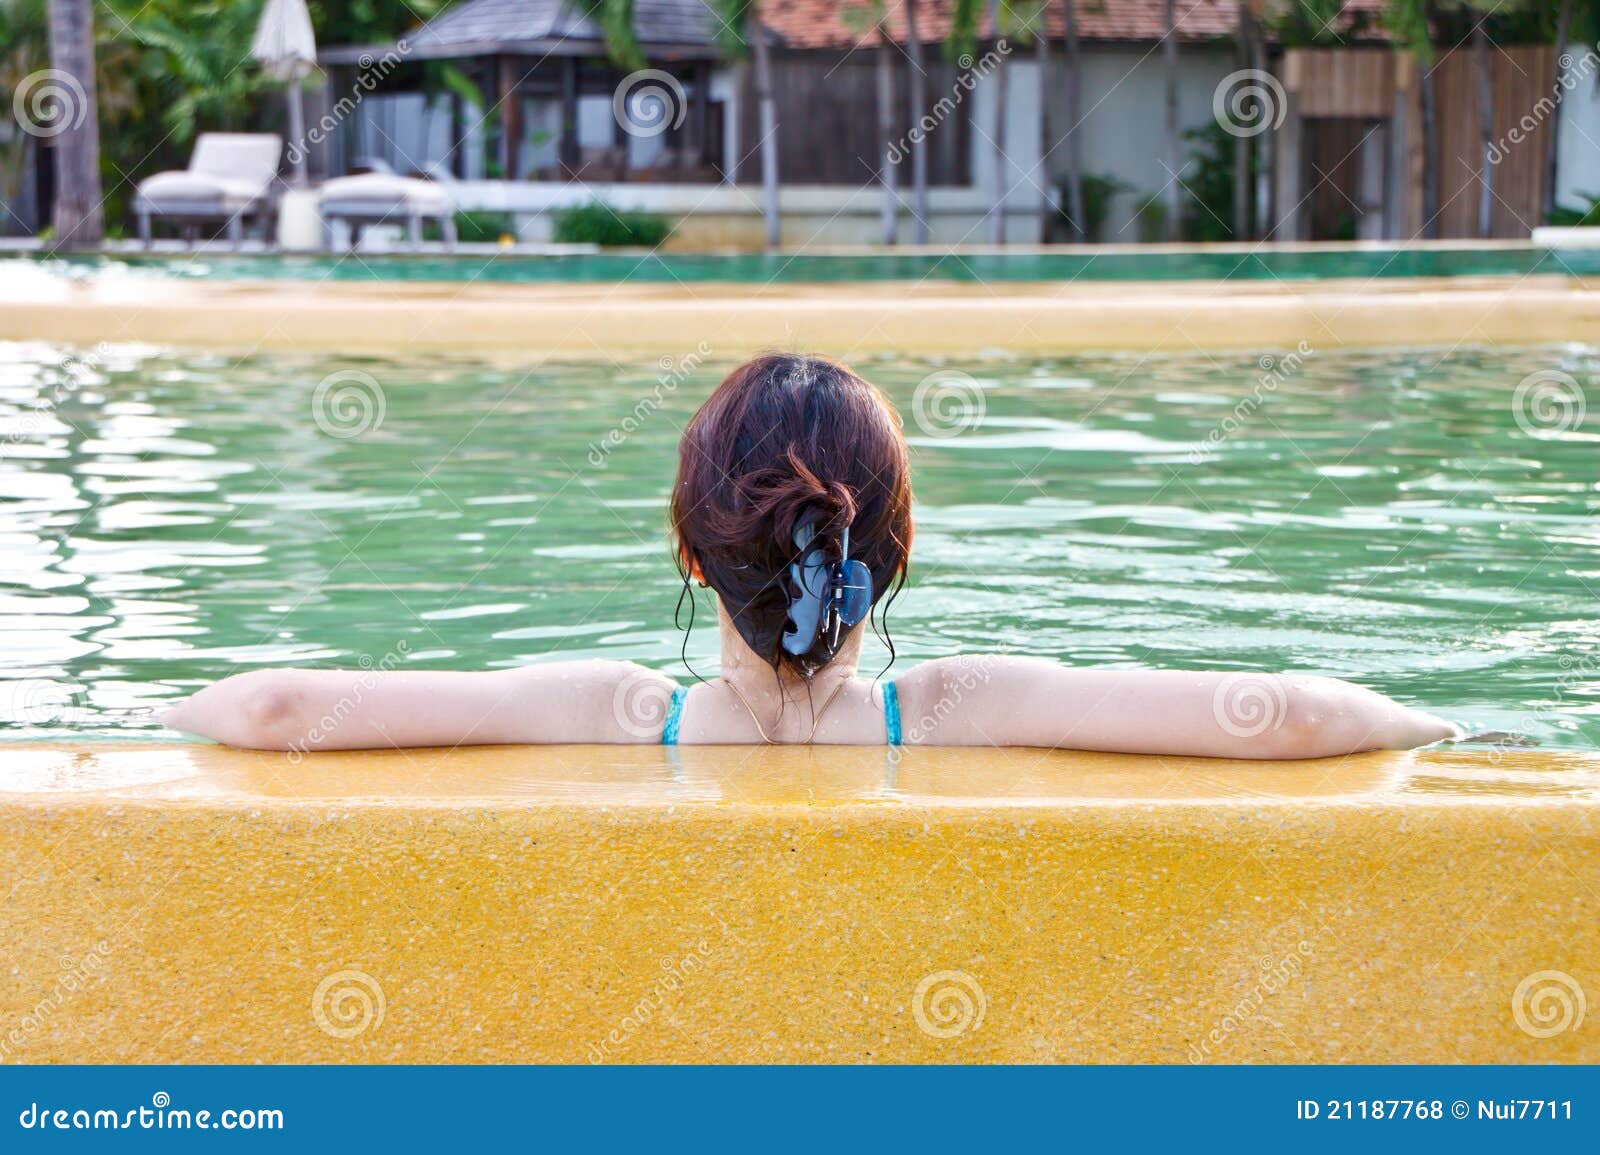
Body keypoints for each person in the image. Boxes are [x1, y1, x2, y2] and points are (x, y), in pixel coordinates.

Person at [163, 354, 1457, 758]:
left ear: (689, 552)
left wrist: (144, 714)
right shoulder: (959, 708)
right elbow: (1289, 716)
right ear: (890, 558)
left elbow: (275, 707)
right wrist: (1454, 737)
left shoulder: (608, 711)